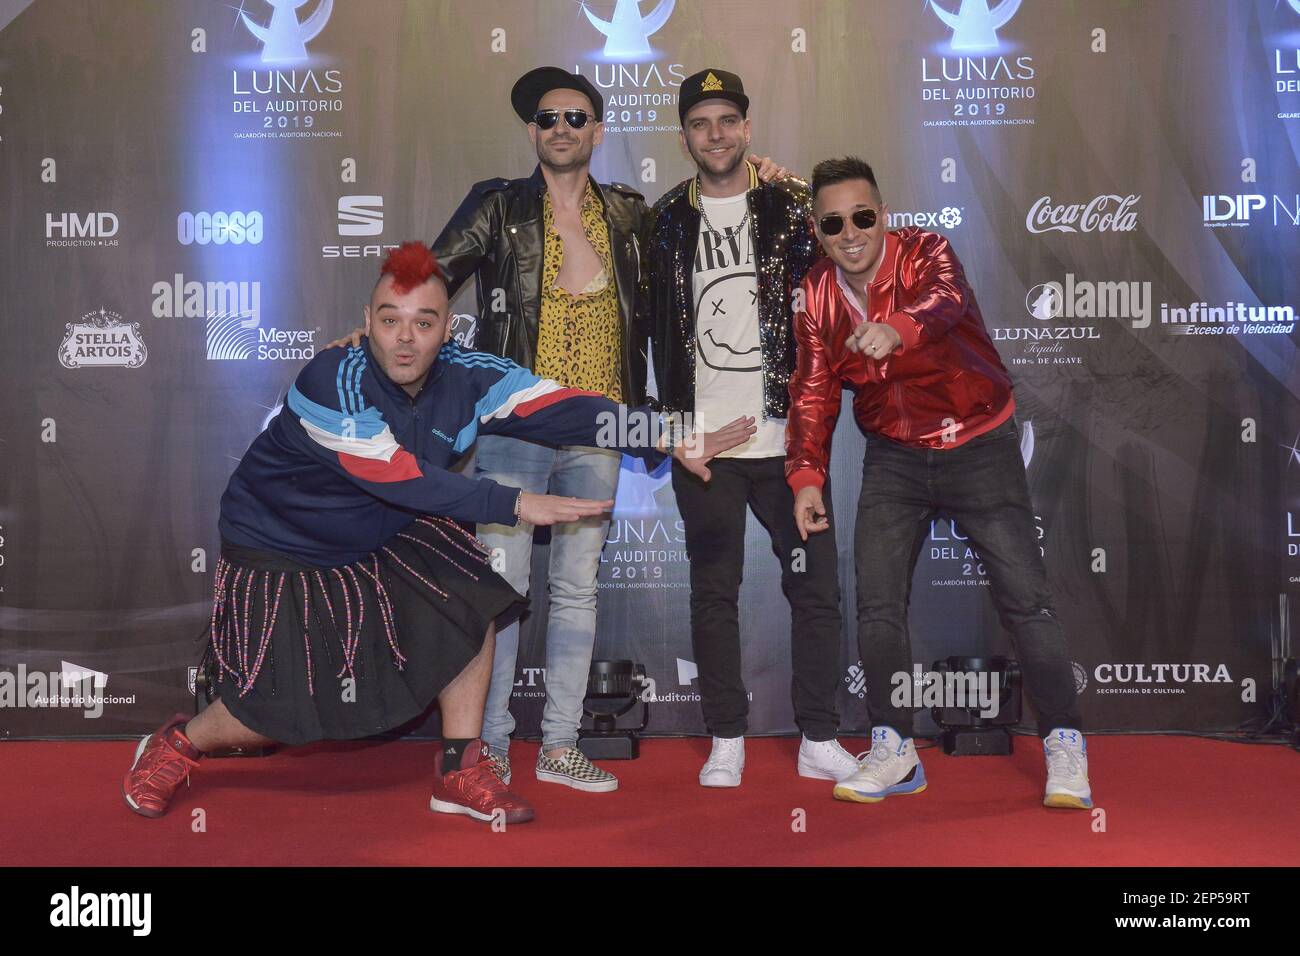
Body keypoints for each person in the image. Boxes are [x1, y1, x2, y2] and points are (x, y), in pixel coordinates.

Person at [121, 242, 753, 825]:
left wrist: (662, 434)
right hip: (283, 542)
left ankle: (459, 768)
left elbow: (562, 407)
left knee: (473, 593)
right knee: (272, 714)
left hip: (383, 529)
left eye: (423, 323)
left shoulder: (471, 375)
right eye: (390, 320)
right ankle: (176, 743)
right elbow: (399, 478)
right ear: (367, 320)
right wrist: (514, 501)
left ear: (446, 329)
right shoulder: (330, 380)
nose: (404, 339)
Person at [333, 67, 783, 794]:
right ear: (533, 133)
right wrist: (374, 326)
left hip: (601, 427)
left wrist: (770, 181)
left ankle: (562, 745)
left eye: (576, 117)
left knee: (577, 591)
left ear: (598, 132)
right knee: (501, 588)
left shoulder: (632, 216)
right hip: (514, 426)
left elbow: (708, 211)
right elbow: (430, 271)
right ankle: (494, 745)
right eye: (548, 119)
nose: (562, 128)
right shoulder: (500, 207)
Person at [786, 156, 1092, 809]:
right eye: (834, 222)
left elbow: (944, 304)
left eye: (863, 216)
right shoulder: (814, 295)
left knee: (1026, 601)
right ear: (818, 230)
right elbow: (812, 392)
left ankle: (1065, 742)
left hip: (979, 440)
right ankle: (893, 747)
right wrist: (807, 474)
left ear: (883, 215)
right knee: (876, 606)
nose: (851, 232)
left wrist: (894, 329)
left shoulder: (928, 251)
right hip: (894, 456)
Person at [639, 69, 854, 788]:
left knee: (817, 589)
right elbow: (643, 337)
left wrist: (807, 198)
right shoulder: (663, 221)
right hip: (706, 448)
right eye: (701, 124)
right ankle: (725, 735)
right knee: (713, 591)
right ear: (684, 138)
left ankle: (819, 736)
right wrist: (670, 433)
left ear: (747, 127)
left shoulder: (794, 208)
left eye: (728, 119)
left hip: (790, 442)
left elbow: (855, 267)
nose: (716, 134)